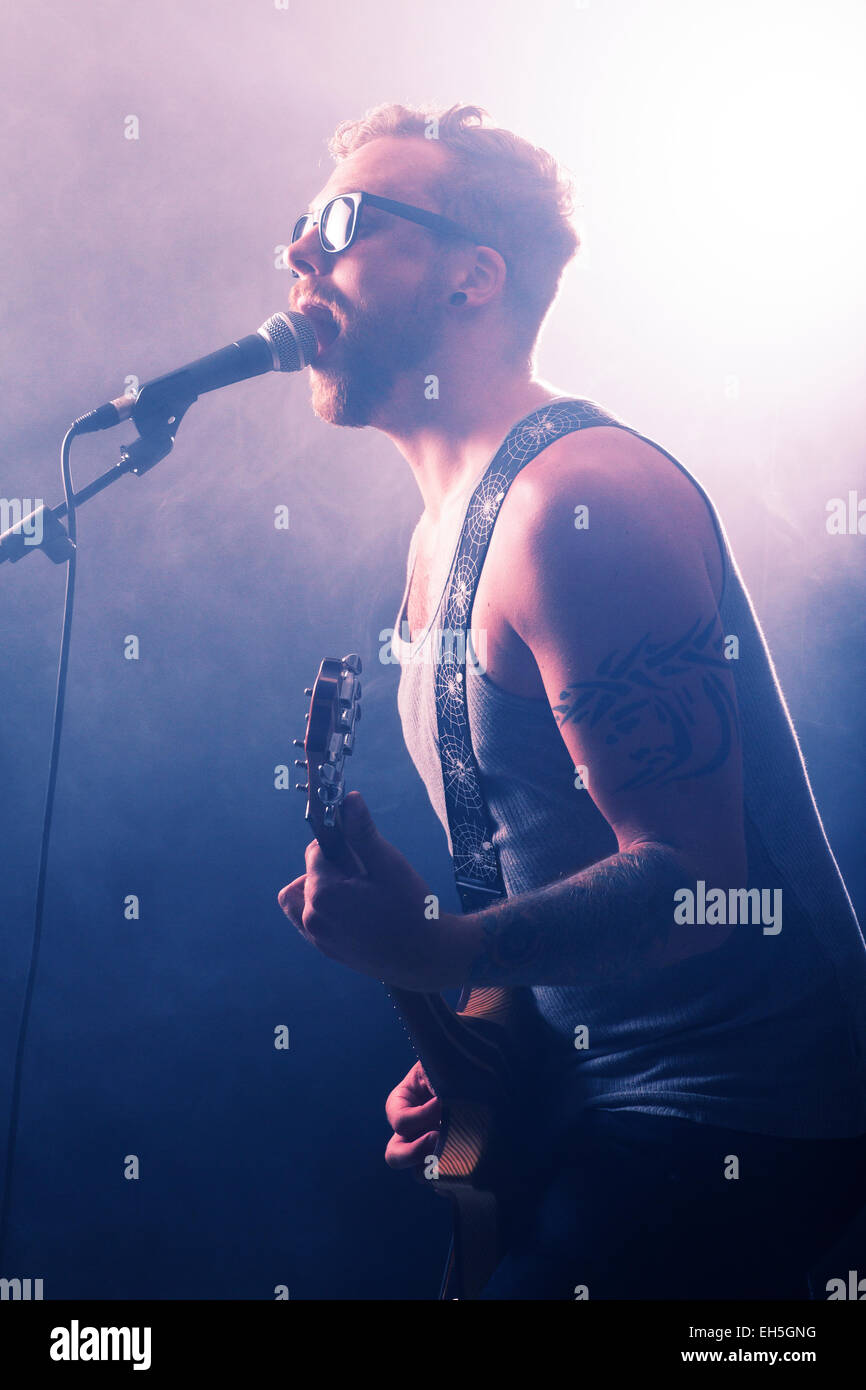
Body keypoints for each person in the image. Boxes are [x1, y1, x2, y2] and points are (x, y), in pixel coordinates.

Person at [277, 103, 866, 1298]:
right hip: (602, 1099)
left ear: (472, 277)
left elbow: (700, 888)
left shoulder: (573, 506)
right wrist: (482, 1042)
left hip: (745, 1120)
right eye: (297, 225)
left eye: (340, 223)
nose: (297, 253)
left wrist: (428, 946)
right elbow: (555, 874)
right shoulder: (440, 533)